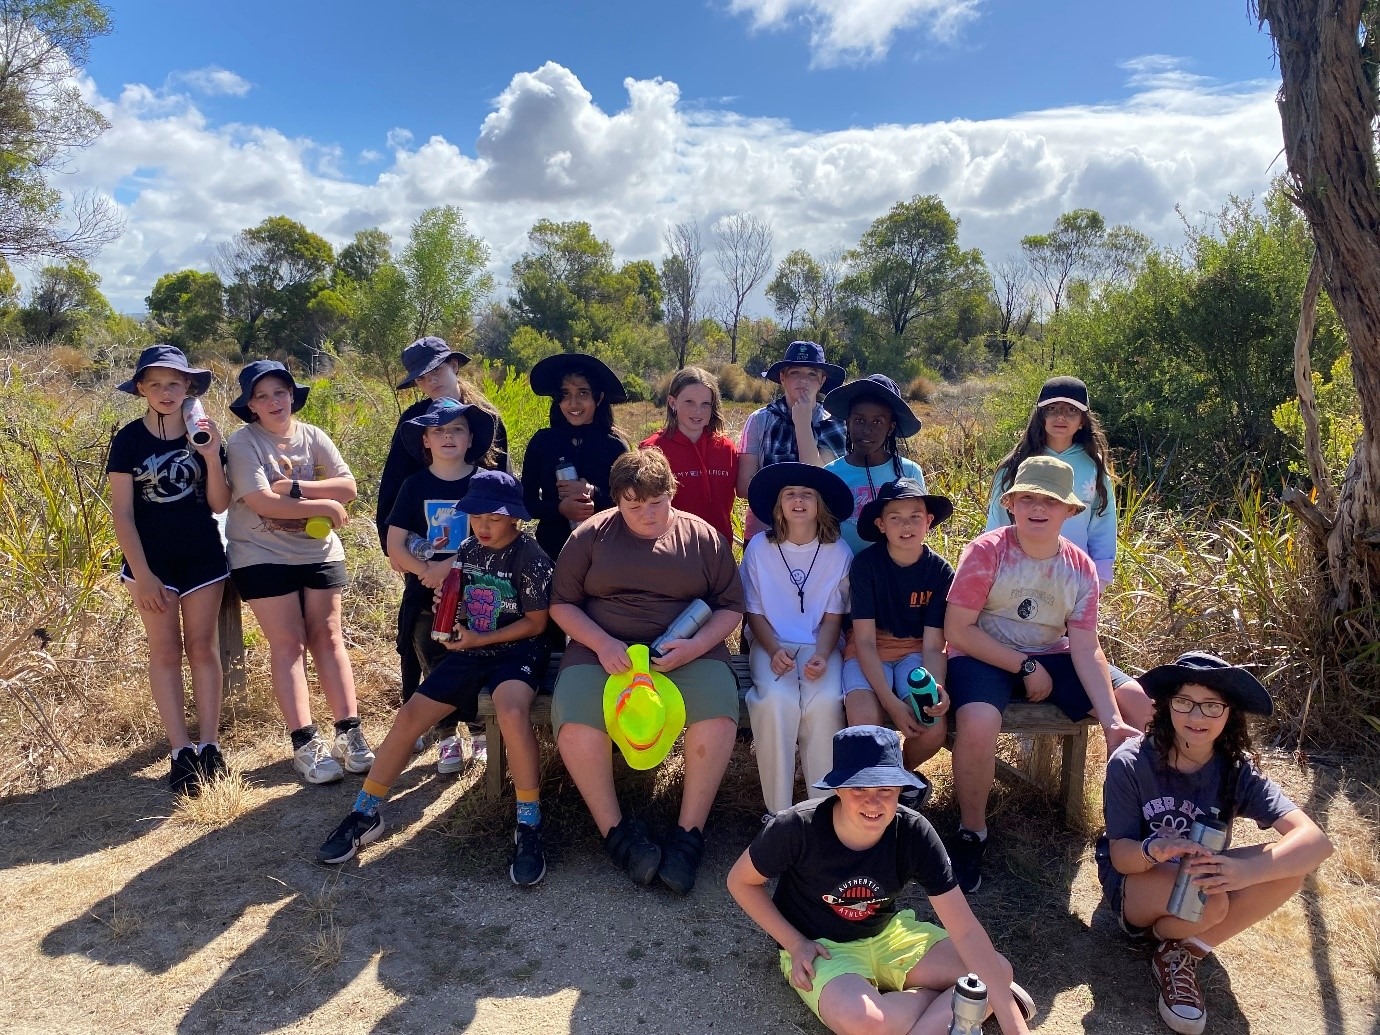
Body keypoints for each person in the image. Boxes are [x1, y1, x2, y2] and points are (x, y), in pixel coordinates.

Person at [318, 471, 556, 886]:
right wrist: (449, 606)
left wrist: (483, 636)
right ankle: (365, 811)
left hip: (517, 650)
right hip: (472, 649)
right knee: (411, 714)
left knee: (511, 709)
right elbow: (459, 597)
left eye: (493, 518)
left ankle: (529, 821)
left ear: (514, 519)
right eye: (476, 516)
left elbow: (537, 624)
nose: (482, 526)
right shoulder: (467, 549)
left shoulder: (530, 556)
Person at [727, 726, 1035, 1035]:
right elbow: (740, 882)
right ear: (838, 789)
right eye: (859, 789)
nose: (873, 802)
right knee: (865, 1021)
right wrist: (795, 944)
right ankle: (963, 1003)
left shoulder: (915, 832)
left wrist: (1015, 1029)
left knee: (997, 968)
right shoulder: (796, 827)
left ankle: (964, 1003)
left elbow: (966, 930)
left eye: (885, 789)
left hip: (888, 934)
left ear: (901, 789)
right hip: (823, 947)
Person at [1100, 652, 1333, 1035]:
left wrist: (1243, 870)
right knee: (1213, 900)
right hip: (1138, 885)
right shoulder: (1131, 762)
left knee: (1290, 871)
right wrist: (1153, 849)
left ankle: (1179, 952)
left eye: (1211, 706)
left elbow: (1316, 843)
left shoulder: (1235, 768)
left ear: (1230, 714)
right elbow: (1121, 857)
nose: (1197, 717)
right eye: (1184, 703)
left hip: (1202, 883)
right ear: (1166, 707)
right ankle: (1169, 939)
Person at [944, 456, 1146, 892]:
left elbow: (1086, 646)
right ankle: (971, 832)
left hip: (1053, 654)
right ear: (1011, 503)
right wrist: (1024, 666)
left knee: (1139, 705)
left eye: (1051, 501)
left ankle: (1141, 829)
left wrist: (1111, 719)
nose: (1039, 507)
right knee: (978, 722)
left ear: (1071, 511)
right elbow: (957, 629)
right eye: (1028, 498)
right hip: (981, 651)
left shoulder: (1080, 567)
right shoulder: (987, 551)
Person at [549, 447, 744, 895]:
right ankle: (616, 833)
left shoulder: (702, 536)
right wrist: (600, 642)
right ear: (616, 500)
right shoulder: (590, 535)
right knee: (579, 722)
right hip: (605, 649)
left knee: (715, 713)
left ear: (671, 493)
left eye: (656, 504)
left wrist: (696, 645)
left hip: (685, 651)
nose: (647, 515)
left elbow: (732, 606)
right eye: (633, 506)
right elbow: (562, 603)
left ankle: (688, 835)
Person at [224, 360, 374, 784]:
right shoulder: (244, 443)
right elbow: (259, 501)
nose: (273, 402)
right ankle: (305, 743)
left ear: (292, 396)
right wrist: (324, 505)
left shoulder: (313, 436)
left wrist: (296, 489)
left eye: (280, 392)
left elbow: (349, 486)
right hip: (260, 552)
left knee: (328, 636)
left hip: (319, 551)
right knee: (289, 643)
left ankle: (349, 732)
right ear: (250, 405)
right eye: (262, 395)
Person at [985, 375, 1150, 727]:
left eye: (1071, 411)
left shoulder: (1094, 467)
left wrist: (1100, 579)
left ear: (1083, 420)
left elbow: (1103, 525)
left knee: (1070, 651)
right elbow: (995, 527)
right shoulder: (1015, 466)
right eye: (1053, 410)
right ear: (1039, 416)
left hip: (1072, 586)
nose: (1061, 418)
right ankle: (1026, 726)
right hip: (1016, 584)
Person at [106, 345, 232, 795]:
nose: (165, 392)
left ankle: (210, 745)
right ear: (140, 389)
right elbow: (122, 513)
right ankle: (179, 751)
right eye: (155, 384)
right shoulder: (128, 440)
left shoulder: (202, 433)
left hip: (201, 554)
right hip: (150, 561)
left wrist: (212, 452)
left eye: (174, 383)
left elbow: (219, 503)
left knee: (202, 649)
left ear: (189, 387)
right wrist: (142, 574)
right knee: (164, 652)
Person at [375, 336, 509, 709]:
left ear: (454, 365)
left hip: (480, 545)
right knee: (419, 628)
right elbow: (392, 492)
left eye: (437, 370)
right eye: (422, 377)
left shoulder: (487, 419)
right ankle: (421, 713)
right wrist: (399, 550)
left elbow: (503, 489)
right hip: (422, 546)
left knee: (480, 622)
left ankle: (480, 719)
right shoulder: (413, 421)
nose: (432, 381)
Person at [384, 398, 496, 774]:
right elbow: (394, 541)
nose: (448, 437)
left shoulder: (483, 482)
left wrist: (449, 567)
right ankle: (447, 737)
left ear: (470, 439)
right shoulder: (414, 485)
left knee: (474, 664)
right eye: (439, 431)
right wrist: (425, 571)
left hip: (479, 594)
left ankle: (480, 732)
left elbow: (496, 536)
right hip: (424, 596)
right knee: (433, 665)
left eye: (458, 429)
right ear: (425, 441)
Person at [741, 462, 853, 816]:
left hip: (820, 643)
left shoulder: (838, 551)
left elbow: (834, 615)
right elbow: (754, 611)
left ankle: (820, 812)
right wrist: (773, 650)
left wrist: (822, 653)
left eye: (807, 494)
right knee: (776, 700)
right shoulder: (760, 548)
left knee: (826, 702)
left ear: (820, 505)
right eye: (790, 494)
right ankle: (779, 813)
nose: (799, 501)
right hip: (770, 641)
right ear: (779, 505)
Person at [842, 479, 954, 774]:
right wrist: (891, 703)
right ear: (881, 525)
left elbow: (932, 644)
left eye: (915, 517)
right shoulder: (866, 565)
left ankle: (898, 776)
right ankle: (876, 789)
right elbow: (864, 640)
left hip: (914, 652)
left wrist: (938, 688)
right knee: (865, 725)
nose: (907, 526)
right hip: (868, 650)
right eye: (896, 518)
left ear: (929, 521)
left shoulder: (940, 571)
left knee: (932, 729)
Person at [521, 352, 630, 562]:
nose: (573, 404)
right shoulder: (542, 443)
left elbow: (630, 503)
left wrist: (593, 493)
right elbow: (527, 502)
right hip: (552, 553)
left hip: (604, 553)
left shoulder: (615, 446)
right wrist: (559, 509)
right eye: (565, 394)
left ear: (598, 398)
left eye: (582, 393)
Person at [737, 340, 848, 541]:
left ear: (822, 380)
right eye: (795, 373)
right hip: (765, 533)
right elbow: (745, 486)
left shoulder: (835, 424)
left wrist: (803, 425)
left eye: (812, 374)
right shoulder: (760, 419)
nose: (803, 380)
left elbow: (827, 485)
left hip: (816, 538)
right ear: (782, 377)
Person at [823, 374, 928, 554]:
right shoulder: (832, 474)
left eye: (878, 422)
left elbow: (919, 526)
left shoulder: (909, 471)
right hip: (843, 572)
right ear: (848, 423)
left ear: (891, 427)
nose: (867, 430)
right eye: (859, 421)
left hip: (893, 572)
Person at [640, 366, 738, 541]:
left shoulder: (727, 449)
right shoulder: (652, 449)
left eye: (705, 404)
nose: (697, 411)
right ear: (672, 402)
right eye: (689, 402)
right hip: (671, 555)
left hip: (720, 554)